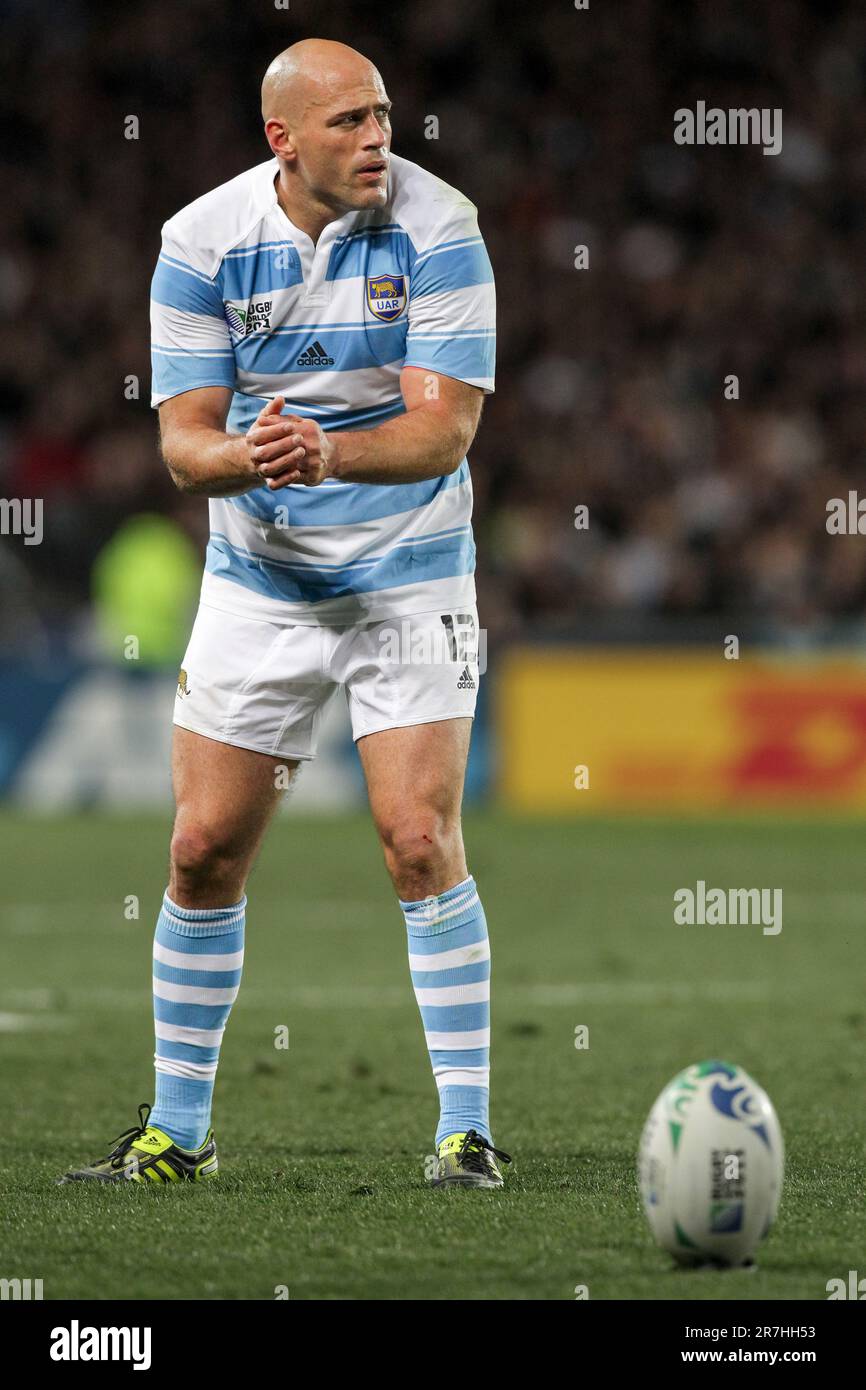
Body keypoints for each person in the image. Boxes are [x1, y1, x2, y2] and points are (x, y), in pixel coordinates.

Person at [60, 37, 509, 1190]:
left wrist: (327, 449)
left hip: (409, 570)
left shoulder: (439, 225)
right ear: (283, 139)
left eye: (384, 117)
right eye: (350, 122)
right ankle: (178, 1133)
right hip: (259, 584)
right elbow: (182, 444)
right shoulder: (199, 242)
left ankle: (464, 1132)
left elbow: (445, 430)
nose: (377, 141)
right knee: (202, 851)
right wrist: (246, 457)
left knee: (417, 838)